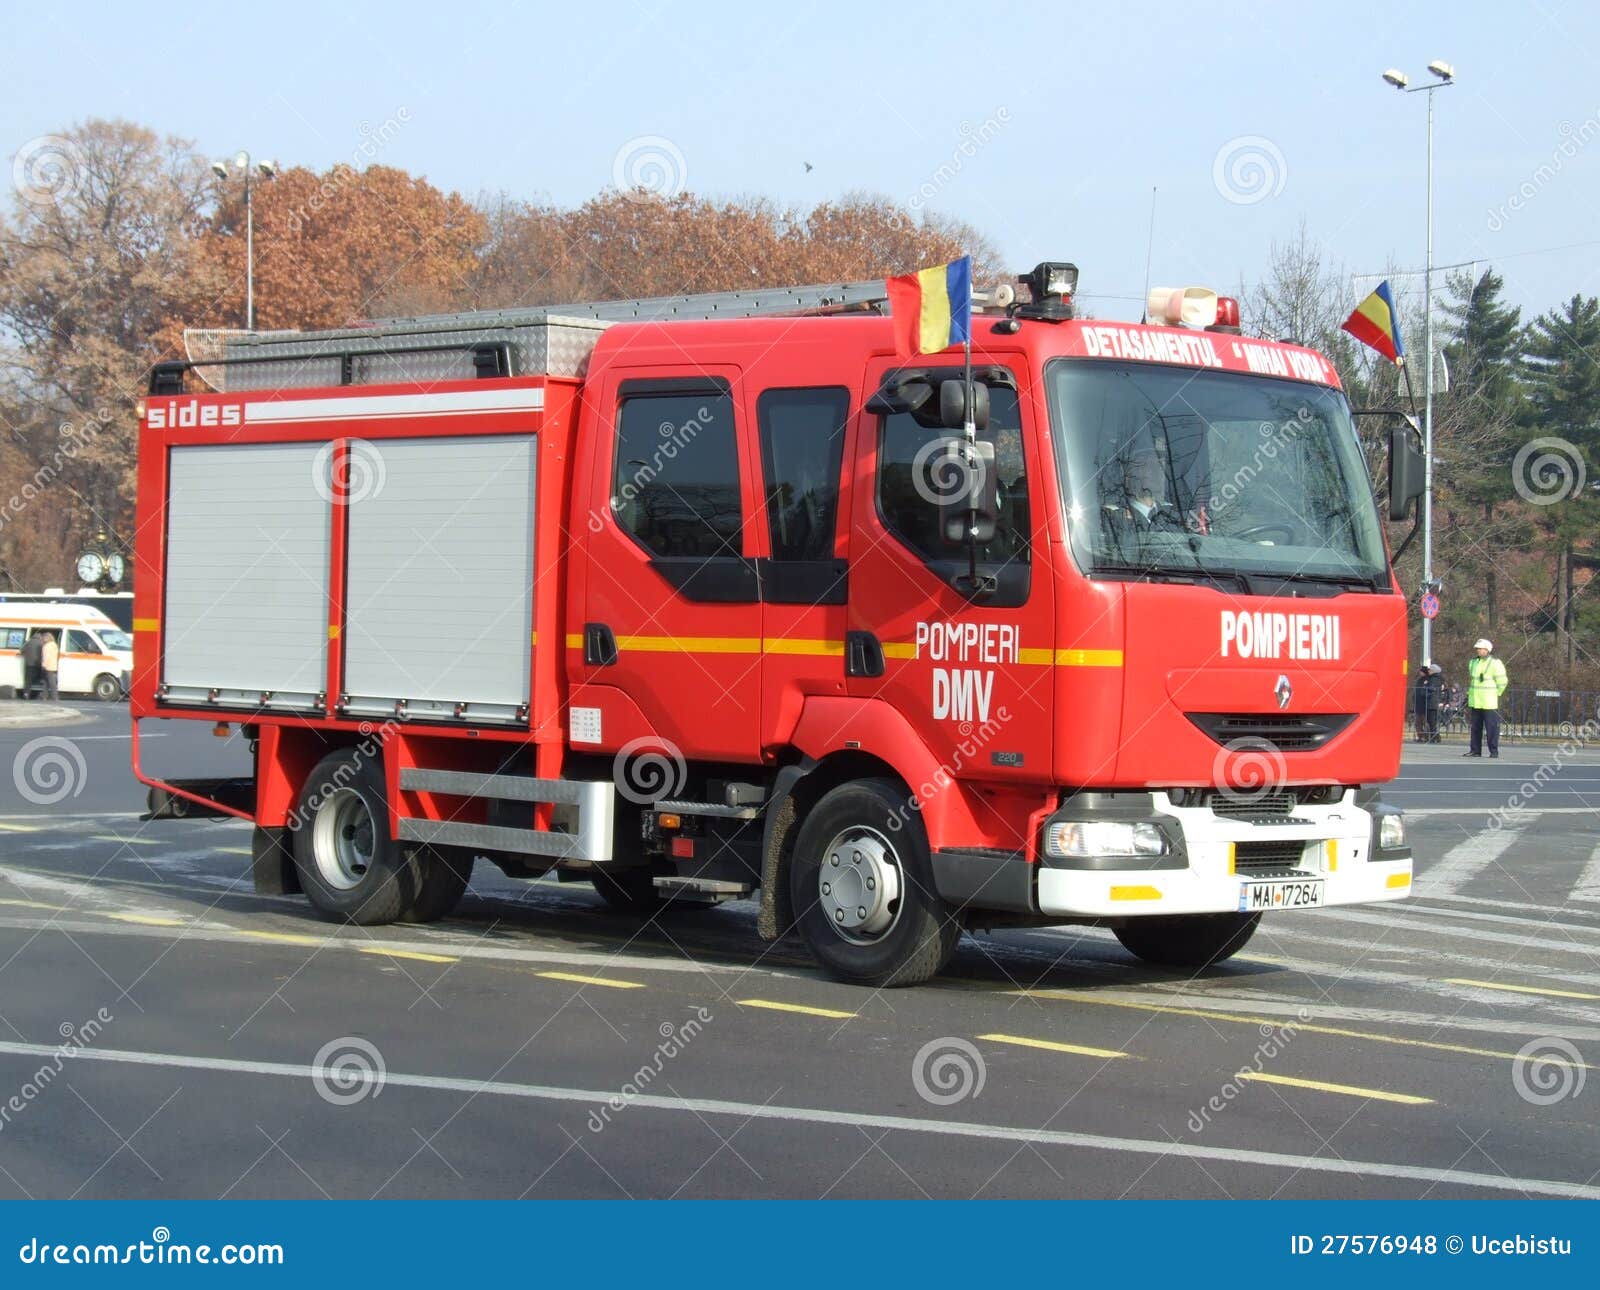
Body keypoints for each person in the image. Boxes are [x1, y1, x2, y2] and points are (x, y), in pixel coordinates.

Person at [1464, 637, 1508, 758]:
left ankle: (1493, 751)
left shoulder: (1495, 663)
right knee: (1475, 728)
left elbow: (1502, 681)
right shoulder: (1473, 662)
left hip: (1489, 702)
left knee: (1491, 728)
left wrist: (1497, 693)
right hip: (1475, 701)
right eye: (1477, 649)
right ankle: (1475, 750)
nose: (1478, 650)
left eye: (1480, 648)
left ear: (1487, 650)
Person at [1416, 662, 1442, 743]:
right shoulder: (1431, 678)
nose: (1429, 671)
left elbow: (1431, 688)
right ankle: (1433, 737)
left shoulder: (1435, 679)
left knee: (1432, 721)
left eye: (1430, 670)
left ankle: (1434, 737)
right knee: (1430, 721)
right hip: (1429, 702)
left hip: (1432, 703)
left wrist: (1425, 688)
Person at [20, 629, 44, 700]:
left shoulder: (28, 642)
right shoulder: (41, 643)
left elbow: (21, 651)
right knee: (38, 677)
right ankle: (38, 692)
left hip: (28, 663)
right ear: (40, 637)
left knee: (28, 679)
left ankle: (26, 693)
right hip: (37, 664)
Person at [38, 629, 59, 702]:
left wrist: (43, 665)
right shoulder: (54, 645)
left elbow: (45, 656)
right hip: (53, 665)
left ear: (46, 638)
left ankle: (51, 696)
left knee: (48, 682)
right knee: (50, 682)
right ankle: (48, 696)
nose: (42, 639)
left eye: (43, 638)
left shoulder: (46, 646)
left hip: (47, 666)